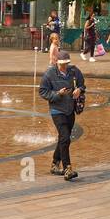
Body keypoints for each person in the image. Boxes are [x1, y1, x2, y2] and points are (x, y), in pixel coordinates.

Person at [38, 50, 84, 181]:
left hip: (70, 110)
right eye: (62, 64)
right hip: (57, 111)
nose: (64, 66)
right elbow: (42, 91)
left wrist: (79, 89)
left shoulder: (74, 71)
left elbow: (82, 84)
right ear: (56, 62)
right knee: (65, 138)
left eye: (66, 63)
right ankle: (67, 168)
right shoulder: (49, 74)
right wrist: (58, 94)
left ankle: (54, 164)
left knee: (64, 138)